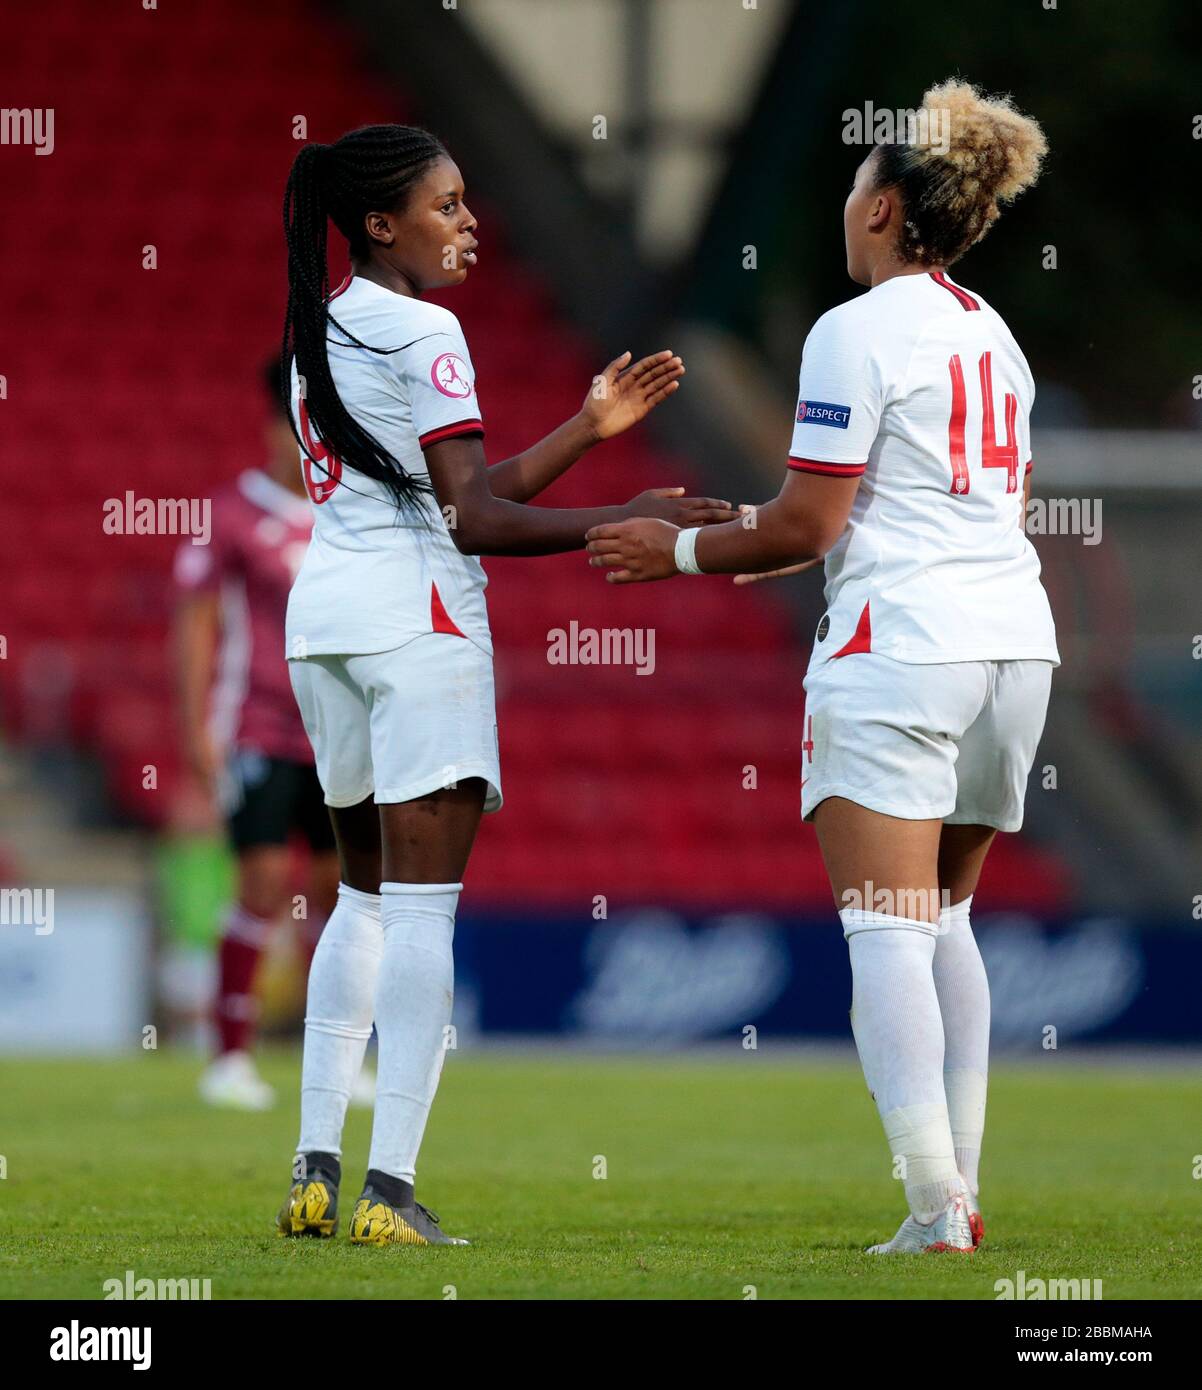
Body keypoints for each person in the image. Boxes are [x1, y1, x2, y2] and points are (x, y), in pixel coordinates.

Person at [585, 81, 1057, 1254]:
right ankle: (960, 1191)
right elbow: (921, 507)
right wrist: (757, 523)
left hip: (898, 648)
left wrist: (683, 548)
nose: (844, 214)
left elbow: (810, 528)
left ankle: (931, 1204)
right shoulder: (990, 334)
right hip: (1012, 644)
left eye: (854, 195)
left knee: (885, 930)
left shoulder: (852, 330)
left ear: (887, 210)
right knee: (944, 919)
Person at [274, 123, 737, 1245]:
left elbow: (433, 495)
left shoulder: (317, 329)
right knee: (424, 911)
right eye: (447, 203)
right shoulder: (427, 328)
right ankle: (390, 1191)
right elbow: (470, 521)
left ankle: (314, 1167)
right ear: (383, 224)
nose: (469, 221)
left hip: (325, 625)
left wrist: (586, 429)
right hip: (415, 624)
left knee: (362, 897)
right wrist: (625, 522)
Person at [175, 364, 370, 1111]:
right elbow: (194, 626)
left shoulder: (349, 516)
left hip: (336, 736)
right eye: (300, 425)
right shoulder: (228, 513)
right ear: (272, 426)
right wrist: (196, 730)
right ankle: (228, 1059)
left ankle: (337, 1063)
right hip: (254, 728)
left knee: (336, 890)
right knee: (260, 884)